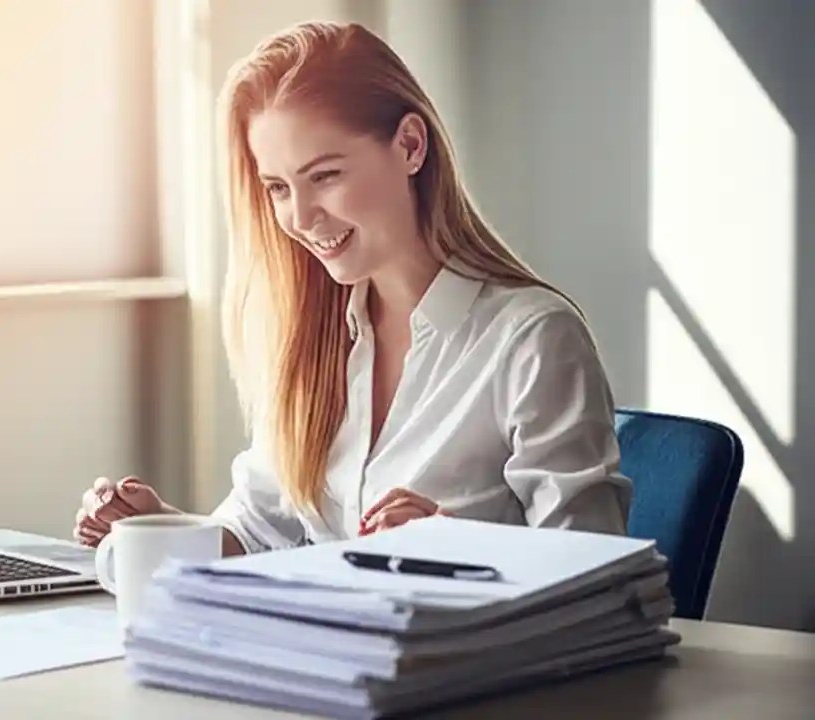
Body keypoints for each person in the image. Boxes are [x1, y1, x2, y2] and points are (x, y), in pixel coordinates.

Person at [75, 21, 631, 556]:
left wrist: (457, 548)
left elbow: (592, 568)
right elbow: (258, 530)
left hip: (469, 653)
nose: (300, 217)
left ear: (411, 146)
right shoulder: (316, 337)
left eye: (325, 176)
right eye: (278, 187)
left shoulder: (532, 340)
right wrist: (154, 530)